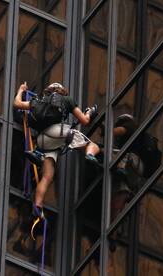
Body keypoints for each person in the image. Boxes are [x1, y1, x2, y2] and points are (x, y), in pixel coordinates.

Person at [13, 82, 99, 216]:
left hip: (42, 141)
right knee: (93, 146)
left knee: (47, 177)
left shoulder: (37, 101)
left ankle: (38, 205)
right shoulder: (67, 100)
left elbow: (17, 104)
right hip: (57, 133)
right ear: (62, 91)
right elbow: (84, 121)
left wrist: (21, 89)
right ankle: (90, 155)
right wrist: (89, 113)